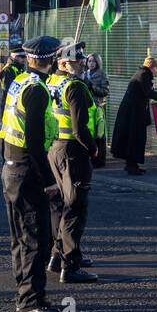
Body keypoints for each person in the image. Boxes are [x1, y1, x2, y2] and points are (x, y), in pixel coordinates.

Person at [0, 35, 63, 312]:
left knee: (20, 237)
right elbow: (35, 142)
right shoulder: (36, 90)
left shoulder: (19, 82)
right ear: (50, 59)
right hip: (28, 171)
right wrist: (50, 180)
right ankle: (31, 300)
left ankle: (24, 293)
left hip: (11, 167)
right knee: (37, 238)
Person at [44, 42, 100, 283]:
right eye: (78, 61)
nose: (82, 64)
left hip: (55, 149)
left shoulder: (51, 82)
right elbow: (80, 128)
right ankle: (71, 265)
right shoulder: (74, 86)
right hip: (73, 151)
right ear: (64, 63)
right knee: (75, 207)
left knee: (61, 205)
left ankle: (57, 257)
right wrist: (94, 148)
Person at [109, 56, 157, 176]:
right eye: (156, 69)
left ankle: (132, 164)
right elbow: (148, 92)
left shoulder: (141, 74)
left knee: (133, 138)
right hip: (134, 113)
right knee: (135, 138)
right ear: (152, 67)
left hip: (133, 112)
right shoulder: (144, 75)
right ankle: (132, 166)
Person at [83, 53, 111, 168]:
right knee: (89, 133)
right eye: (89, 61)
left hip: (98, 107)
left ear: (98, 63)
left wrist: (92, 86)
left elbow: (105, 91)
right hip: (87, 107)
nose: (91, 63)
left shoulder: (102, 74)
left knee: (100, 133)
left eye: (93, 61)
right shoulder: (85, 74)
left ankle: (100, 160)